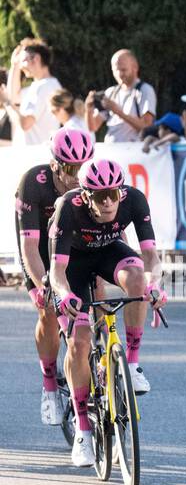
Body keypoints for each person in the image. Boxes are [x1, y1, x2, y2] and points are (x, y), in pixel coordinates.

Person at [48, 159, 167, 464]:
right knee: (79, 342)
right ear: (85, 196)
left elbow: (151, 256)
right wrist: (64, 295)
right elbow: (57, 272)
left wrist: (154, 285)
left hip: (108, 252)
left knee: (138, 279)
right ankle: (83, 430)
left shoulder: (133, 199)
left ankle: (132, 364)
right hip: (72, 264)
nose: (108, 202)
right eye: (100, 197)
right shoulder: (68, 206)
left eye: (113, 194)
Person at [15, 127, 95, 425]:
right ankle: (49, 383)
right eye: (71, 169)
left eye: (82, 167)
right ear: (54, 166)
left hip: (71, 245)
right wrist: (45, 288)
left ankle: (100, 361)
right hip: (39, 249)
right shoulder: (33, 184)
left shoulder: (91, 184)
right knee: (48, 307)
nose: (78, 176)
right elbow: (29, 248)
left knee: (96, 296)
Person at [84, 49, 156, 141]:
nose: (119, 74)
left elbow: (147, 127)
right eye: (116, 70)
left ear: (135, 67)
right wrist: (88, 110)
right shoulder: (111, 92)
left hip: (134, 148)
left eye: (123, 70)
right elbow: (93, 127)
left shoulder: (144, 90)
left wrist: (118, 111)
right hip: (111, 148)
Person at [4, 39, 61, 145]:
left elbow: (26, 123)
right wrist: (14, 65)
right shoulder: (44, 85)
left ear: (36, 59)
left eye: (23, 60)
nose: (21, 66)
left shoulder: (44, 87)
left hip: (35, 153)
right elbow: (14, 97)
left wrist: (6, 102)